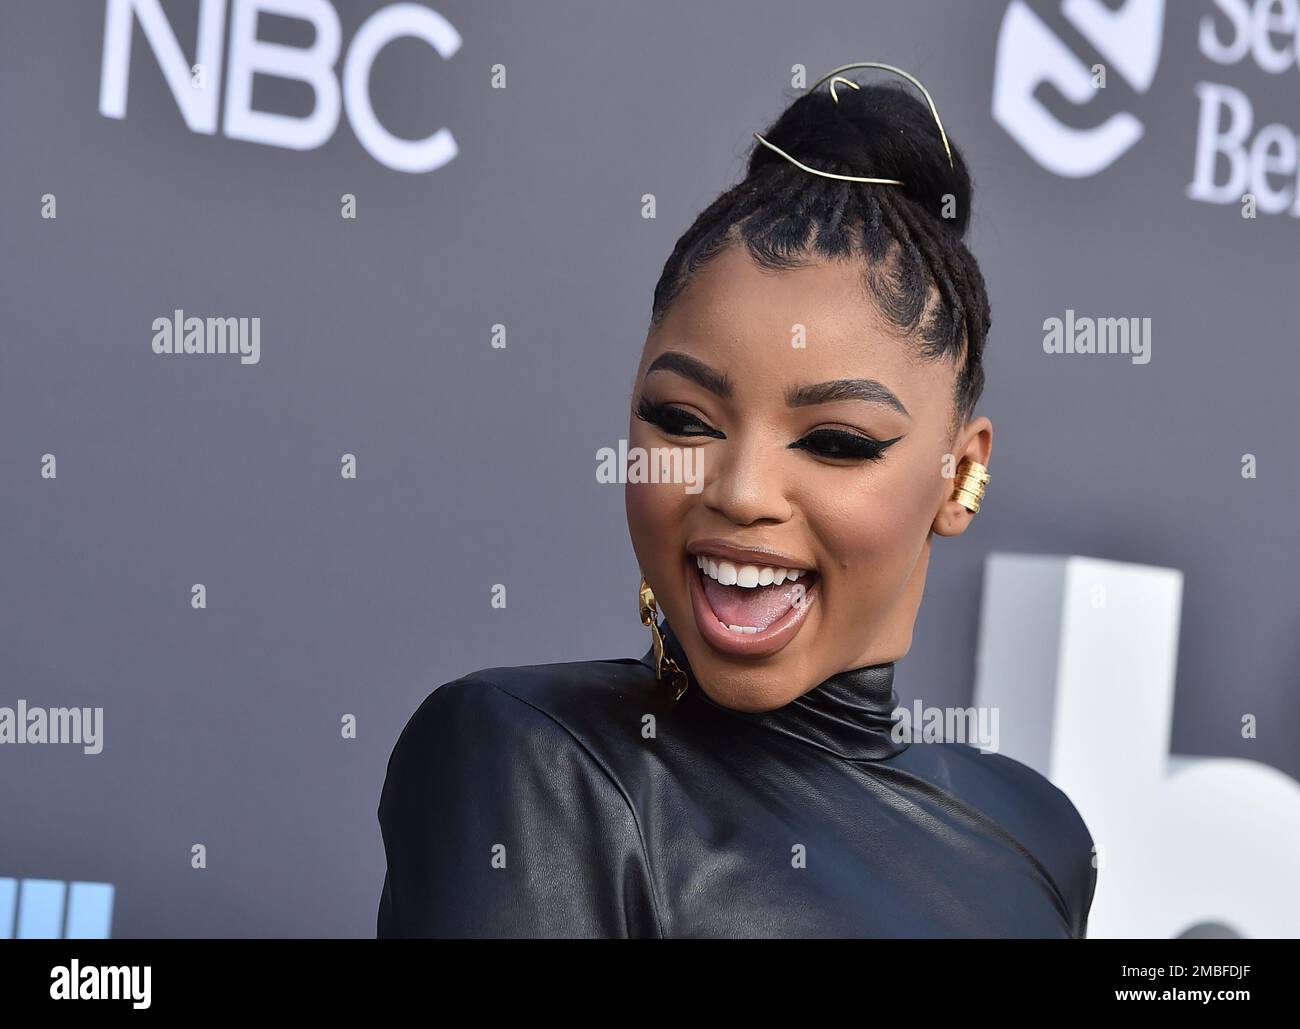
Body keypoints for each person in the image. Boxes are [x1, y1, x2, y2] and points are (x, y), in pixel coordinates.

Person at [376, 63, 1097, 938]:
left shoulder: (1035, 835)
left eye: (836, 441)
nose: (741, 491)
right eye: (684, 420)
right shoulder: (531, 762)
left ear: (960, 474)